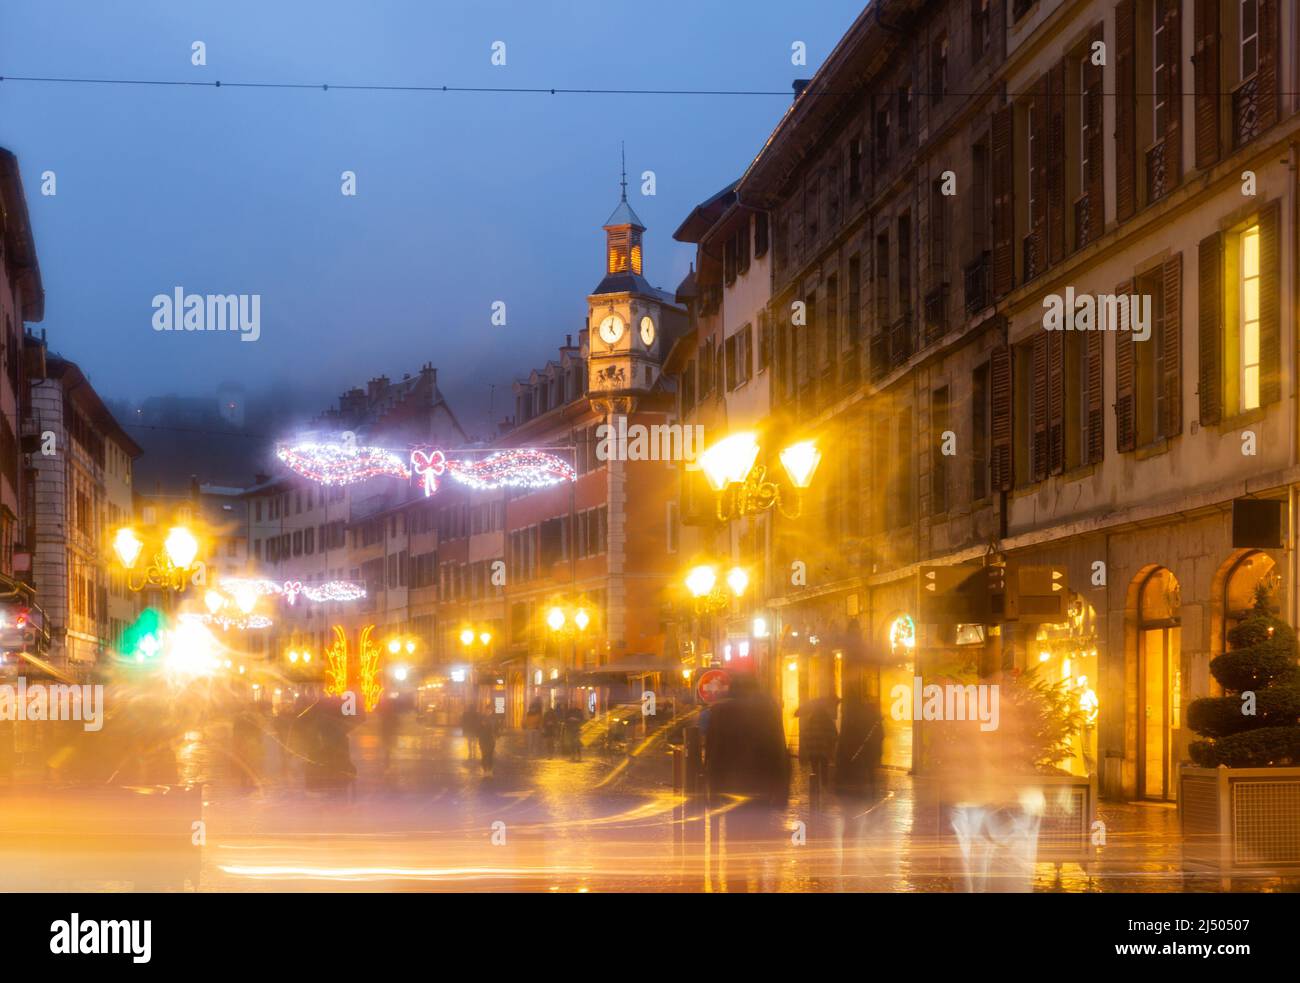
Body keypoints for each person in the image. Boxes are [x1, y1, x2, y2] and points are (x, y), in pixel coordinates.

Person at [704, 673, 790, 810]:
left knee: (734, 825)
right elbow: (778, 749)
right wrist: (782, 791)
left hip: (731, 784)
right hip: (762, 783)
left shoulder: (721, 711)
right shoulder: (768, 710)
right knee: (761, 825)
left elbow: (714, 752)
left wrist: (713, 790)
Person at [836, 686, 882, 797]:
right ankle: (869, 786)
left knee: (865, 766)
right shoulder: (872, 717)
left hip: (865, 746)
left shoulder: (858, 716)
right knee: (868, 767)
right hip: (868, 746)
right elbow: (880, 734)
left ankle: (865, 787)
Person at [796, 698, 838, 794]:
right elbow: (834, 734)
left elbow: (806, 734)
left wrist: (808, 746)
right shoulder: (827, 720)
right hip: (824, 749)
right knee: (824, 768)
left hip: (813, 750)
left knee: (814, 769)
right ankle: (824, 786)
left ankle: (815, 787)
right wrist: (831, 744)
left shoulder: (811, 720)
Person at [477, 704, 497, 776]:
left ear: (492, 711)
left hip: (491, 740)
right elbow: (477, 728)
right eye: (487, 710)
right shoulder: (481, 718)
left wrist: (496, 735)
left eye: (490, 710)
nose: (489, 711)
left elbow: (496, 729)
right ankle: (485, 770)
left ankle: (490, 770)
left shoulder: (494, 718)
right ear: (485, 710)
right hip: (483, 739)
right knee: (484, 755)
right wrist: (481, 726)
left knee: (490, 755)